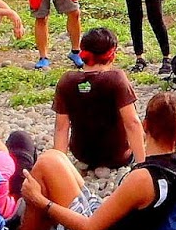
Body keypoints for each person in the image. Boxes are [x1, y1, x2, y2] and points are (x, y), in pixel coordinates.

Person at [17, 92, 176, 230]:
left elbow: (89, 229)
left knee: (45, 165)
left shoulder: (143, 178)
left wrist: (41, 202)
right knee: (55, 157)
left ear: (145, 125)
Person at [52, 27, 144, 170]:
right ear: (112, 55)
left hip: (82, 155)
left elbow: (61, 128)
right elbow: (132, 123)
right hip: (117, 156)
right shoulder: (116, 79)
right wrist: (142, 164)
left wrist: (59, 168)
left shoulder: (67, 81)